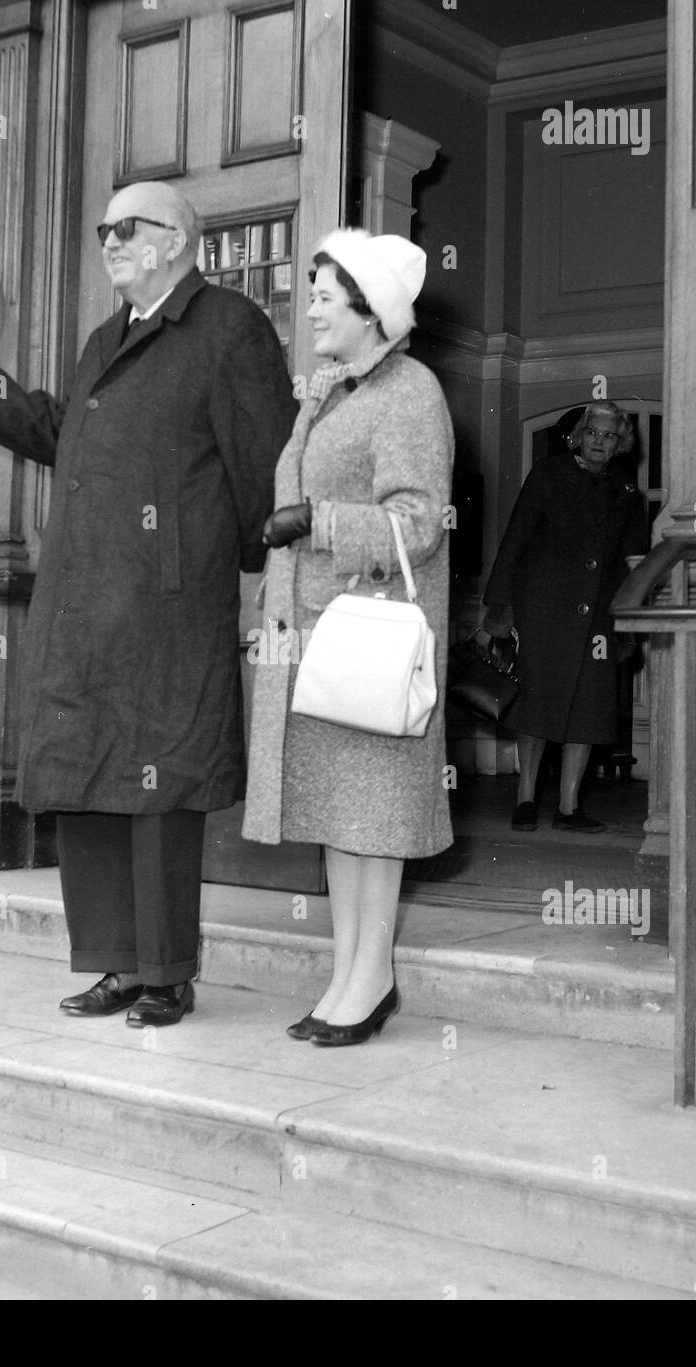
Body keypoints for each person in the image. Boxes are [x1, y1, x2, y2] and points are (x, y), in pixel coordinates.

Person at [0, 181, 296, 1026]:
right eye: (102, 228)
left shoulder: (229, 328)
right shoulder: (106, 337)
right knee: (86, 776)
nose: (106, 240)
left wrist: (260, 581)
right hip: (82, 600)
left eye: (123, 227)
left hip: (168, 606)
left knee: (159, 787)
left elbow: (265, 466)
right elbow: (69, 431)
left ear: (176, 240)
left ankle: (166, 971)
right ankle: (112, 962)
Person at [242, 228, 454, 1046]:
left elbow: (419, 520)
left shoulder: (409, 390)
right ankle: (346, 973)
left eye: (327, 296)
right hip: (313, 642)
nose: (312, 309)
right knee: (339, 819)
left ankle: (374, 978)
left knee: (374, 821)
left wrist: (318, 521)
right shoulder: (328, 393)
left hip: (364, 642)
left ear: (372, 312)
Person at [481, 400, 648, 833]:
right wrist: (500, 608)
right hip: (541, 611)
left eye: (610, 435)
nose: (600, 441)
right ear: (580, 434)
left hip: (598, 620)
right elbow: (514, 539)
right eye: (594, 432)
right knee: (534, 706)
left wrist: (628, 621)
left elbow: (632, 562)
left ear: (620, 443)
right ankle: (526, 799)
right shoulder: (549, 473)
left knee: (588, 712)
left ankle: (569, 808)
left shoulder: (628, 492)